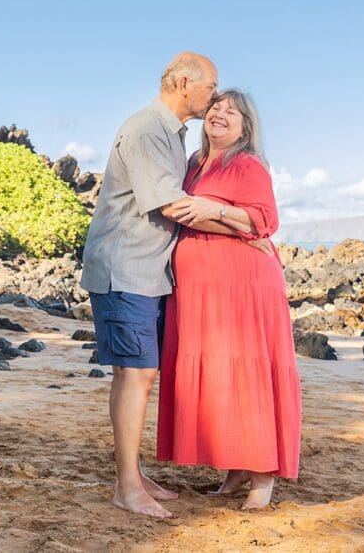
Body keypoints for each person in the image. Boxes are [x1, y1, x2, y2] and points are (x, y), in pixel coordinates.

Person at [81, 51, 248, 518]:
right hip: (125, 270)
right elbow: (172, 206)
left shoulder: (172, 136)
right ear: (182, 83)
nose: (214, 97)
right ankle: (126, 487)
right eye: (210, 87)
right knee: (136, 374)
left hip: (149, 274)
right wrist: (242, 228)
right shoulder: (146, 129)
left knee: (136, 375)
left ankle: (132, 475)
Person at [156, 89, 302, 511]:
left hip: (243, 286)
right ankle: (235, 469)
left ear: (245, 125)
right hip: (201, 290)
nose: (220, 113)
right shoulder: (194, 164)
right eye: (216, 107)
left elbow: (265, 221)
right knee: (220, 375)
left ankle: (262, 477)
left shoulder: (248, 164)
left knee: (247, 373)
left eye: (231, 111)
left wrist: (214, 212)